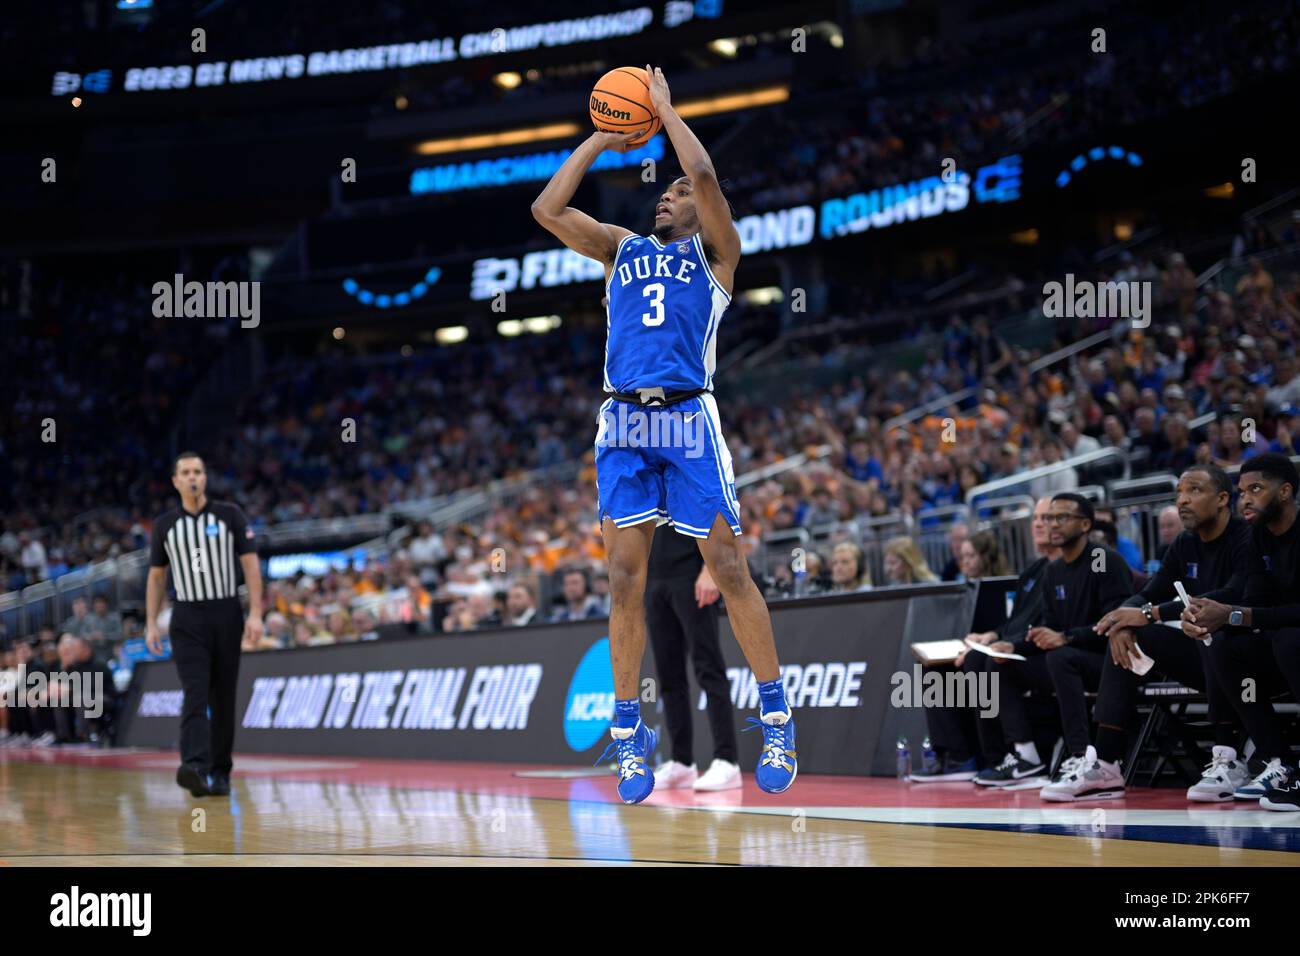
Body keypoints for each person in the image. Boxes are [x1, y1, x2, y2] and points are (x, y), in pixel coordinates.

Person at [531, 65, 796, 803]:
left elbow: (703, 168)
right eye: (664, 190)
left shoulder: (715, 258)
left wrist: (666, 111)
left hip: (686, 416)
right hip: (622, 420)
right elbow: (548, 208)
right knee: (622, 578)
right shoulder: (620, 248)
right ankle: (628, 736)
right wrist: (601, 135)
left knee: (730, 566)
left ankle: (776, 718)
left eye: (676, 193)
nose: (669, 194)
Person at [1047, 465, 1250, 801]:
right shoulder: (1185, 543)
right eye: (1179, 493)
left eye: (1195, 491)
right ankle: (1107, 764)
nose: (1183, 500)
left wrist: (1147, 613)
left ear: (1223, 499)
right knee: (1129, 634)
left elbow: (1232, 595)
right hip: (1203, 660)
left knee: (1210, 631)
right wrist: (1123, 619)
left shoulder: (1245, 537)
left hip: (1248, 655)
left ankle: (1228, 757)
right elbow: (1152, 591)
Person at [975, 493, 1132, 787]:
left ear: (1085, 524)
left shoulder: (1100, 560)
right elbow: (1050, 627)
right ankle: (1027, 757)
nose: (1052, 524)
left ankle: (1082, 758)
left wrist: (1066, 637)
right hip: (1069, 660)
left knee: (1061, 656)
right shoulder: (1053, 571)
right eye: (1049, 518)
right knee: (998, 664)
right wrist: (1014, 646)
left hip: (1110, 662)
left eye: (1062, 517)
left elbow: (1116, 621)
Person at [1181, 454, 1300, 808]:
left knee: (1289, 639)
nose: (1244, 498)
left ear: (1285, 492)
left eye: (1256, 489)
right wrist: (1211, 617)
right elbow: (1254, 604)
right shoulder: (1256, 538)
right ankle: (1278, 760)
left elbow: (1261, 613)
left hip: (1294, 644)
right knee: (1223, 643)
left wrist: (1234, 614)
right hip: (1283, 647)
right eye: (1241, 491)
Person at [913, 498, 1058, 783]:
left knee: (983, 659)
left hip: (1038, 652)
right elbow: (1014, 622)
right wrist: (991, 636)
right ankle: (959, 757)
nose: (1039, 524)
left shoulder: (1067, 569)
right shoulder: (1032, 571)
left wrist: (1004, 644)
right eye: (1036, 518)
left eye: (1047, 517)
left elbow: (1046, 625)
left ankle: (1007, 756)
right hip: (1012, 643)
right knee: (933, 667)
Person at [146, 452, 263, 798]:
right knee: (195, 690)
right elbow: (156, 577)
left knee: (223, 696)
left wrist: (255, 613)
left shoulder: (230, 515)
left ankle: (221, 771)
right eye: (186, 472)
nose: (193, 477)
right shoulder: (165, 525)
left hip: (226, 612)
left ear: (205, 478)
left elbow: (251, 566)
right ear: (175, 481)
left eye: (198, 471)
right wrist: (151, 622)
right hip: (187, 617)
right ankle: (194, 766)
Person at [646, 524, 741, 791]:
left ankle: (727, 759)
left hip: (691, 573)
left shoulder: (691, 479)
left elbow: (716, 509)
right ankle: (682, 762)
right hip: (654, 579)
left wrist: (711, 568)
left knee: (708, 669)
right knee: (668, 676)